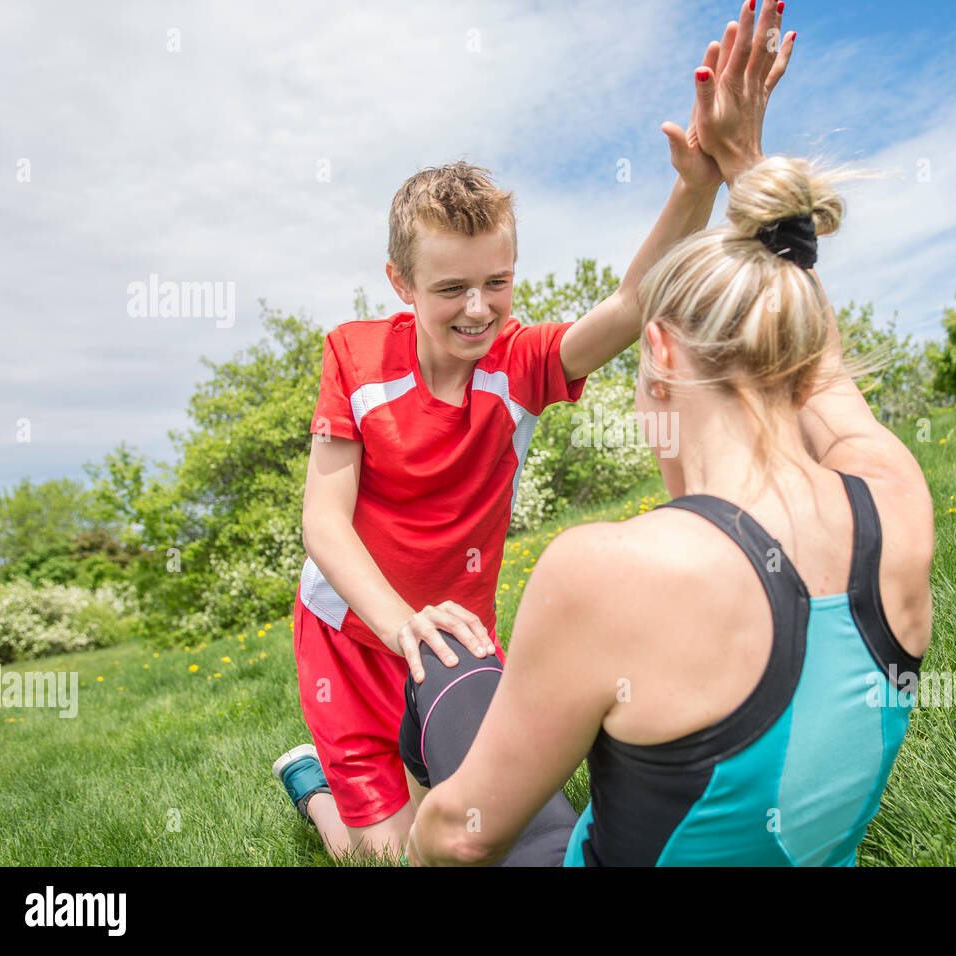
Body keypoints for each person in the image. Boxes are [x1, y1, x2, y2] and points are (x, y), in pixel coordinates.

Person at [273, 0, 797, 861]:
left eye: (498, 282)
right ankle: (315, 784)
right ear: (401, 283)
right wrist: (399, 624)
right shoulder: (355, 358)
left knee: (490, 820)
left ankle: (416, 754)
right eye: (451, 289)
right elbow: (324, 522)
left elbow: (633, 305)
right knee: (390, 852)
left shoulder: (520, 365)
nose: (478, 308)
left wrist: (697, 180)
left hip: (458, 639)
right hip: (349, 632)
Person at [400, 143, 935, 864]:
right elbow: (832, 382)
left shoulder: (604, 570)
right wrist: (755, 178)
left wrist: (425, 838)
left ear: (661, 349)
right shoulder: (896, 505)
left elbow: (463, 842)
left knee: (446, 658)